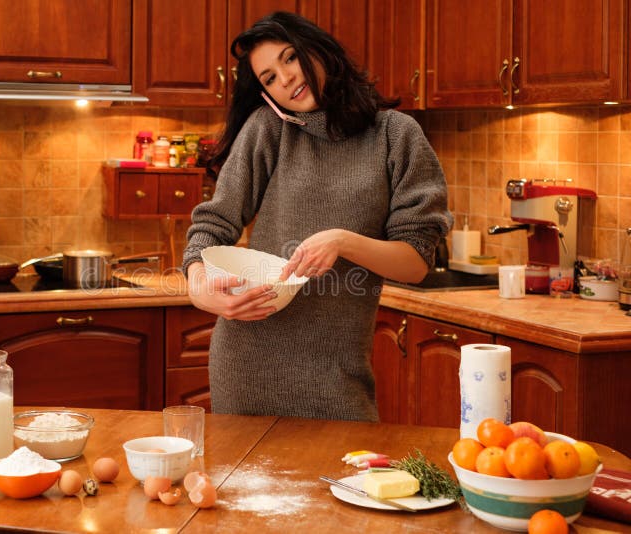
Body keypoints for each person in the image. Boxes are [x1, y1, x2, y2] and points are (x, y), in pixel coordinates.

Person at [182, 11, 452, 421]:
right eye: (269, 78)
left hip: (338, 377)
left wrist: (343, 241)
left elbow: (415, 264)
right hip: (246, 366)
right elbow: (211, 227)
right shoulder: (268, 129)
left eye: (290, 58)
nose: (286, 78)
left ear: (319, 51)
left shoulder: (396, 136)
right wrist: (199, 287)